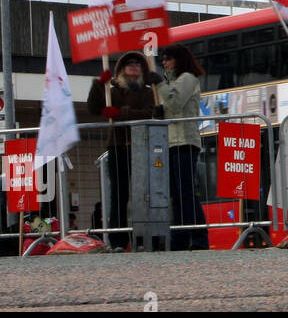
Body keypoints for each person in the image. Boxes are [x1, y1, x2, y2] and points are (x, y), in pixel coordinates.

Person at [86, 52, 163, 252]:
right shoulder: (113, 91)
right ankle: (118, 241)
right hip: (118, 146)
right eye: (129, 63)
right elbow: (94, 107)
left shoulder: (149, 92)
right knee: (118, 195)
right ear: (121, 69)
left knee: (145, 194)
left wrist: (121, 114)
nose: (134, 66)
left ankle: (147, 238)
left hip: (142, 147)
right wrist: (98, 84)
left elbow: (151, 112)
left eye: (138, 63)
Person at [160, 44, 210, 251]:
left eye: (168, 58)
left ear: (178, 60)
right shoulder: (172, 81)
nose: (164, 62)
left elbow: (175, 104)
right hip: (173, 142)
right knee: (177, 194)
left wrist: (159, 86)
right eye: (163, 59)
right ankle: (180, 237)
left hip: (185, 142)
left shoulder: (187, 78)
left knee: (186, 192)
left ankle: (198, 237)